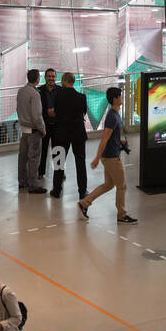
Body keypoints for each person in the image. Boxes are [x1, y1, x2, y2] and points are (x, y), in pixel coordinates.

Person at [77, 87, 136, 224]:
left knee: (109, 184)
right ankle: (122, 215)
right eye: (120, 96)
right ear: (115, 99)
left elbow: (110, 137)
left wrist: (119, 142)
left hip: (110, 154)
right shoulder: (112, 117)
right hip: (111, 157)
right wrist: (97, 158)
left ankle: (84, 203)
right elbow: (104, 138)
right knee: (122, 186)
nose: (122, 98)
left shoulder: (115, 114)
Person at [50, 72, 89, 199]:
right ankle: (82, 191)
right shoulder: (82, 97)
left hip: (61, 134)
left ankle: (56, 190)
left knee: (59, 162)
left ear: (64, 81)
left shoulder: (58, 96)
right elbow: (83, 112)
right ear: (73, 82)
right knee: (80, 162)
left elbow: (56, 112)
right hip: (78, 133)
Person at [16, 69, 47, 193]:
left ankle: (22, 182)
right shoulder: (35, 94)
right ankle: (33, 185)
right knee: (34, 158)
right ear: (38, 79)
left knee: (22, 157)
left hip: (24, 128)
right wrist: (42, 129)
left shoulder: (21, 91)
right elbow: (36, 115)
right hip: (34, 129)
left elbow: (18, 108)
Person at [38, 68, 60, 183]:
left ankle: (59, 172)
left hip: (57, 125)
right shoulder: (39, 91)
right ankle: (40, 172)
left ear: (56, 77)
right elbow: (36, 108)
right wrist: (46, 111)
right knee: (43, 149)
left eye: (53, 76)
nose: (51, 78)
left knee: (58, 149)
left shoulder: (61, 90)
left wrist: (56, 111)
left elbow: (64, 106)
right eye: (49, 76)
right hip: (44, 125)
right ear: (45, 77)